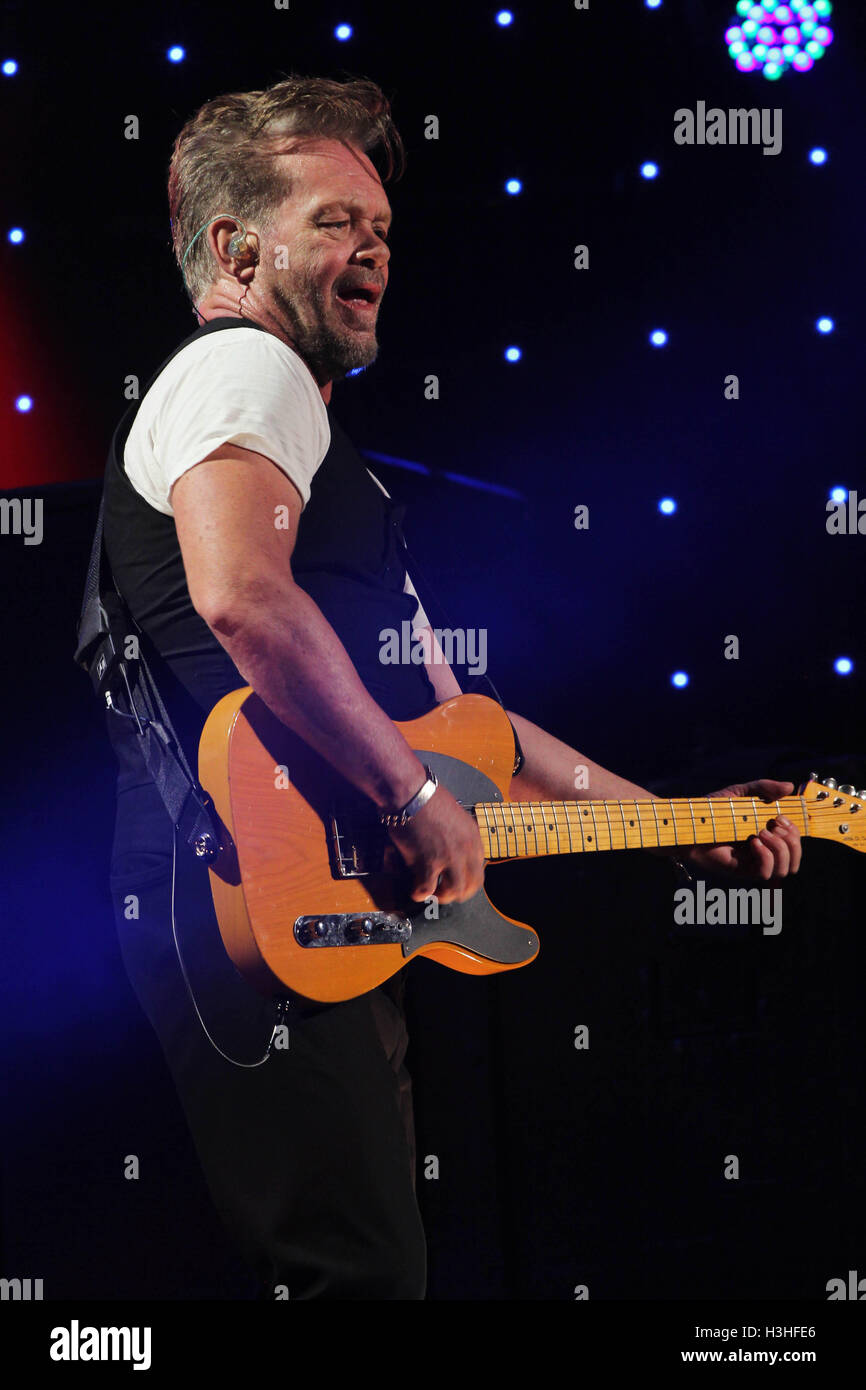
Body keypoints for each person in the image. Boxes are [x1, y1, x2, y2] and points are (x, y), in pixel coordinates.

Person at [96, 73, 801, 1300]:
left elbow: (475, 735)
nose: (372, 247)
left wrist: (682, 828)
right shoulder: (240, 371)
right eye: (333, 221)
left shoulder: (323, 453)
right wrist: (404, 782)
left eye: (379, 228)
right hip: (230, 877)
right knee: (358, 1277)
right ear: (234, 246)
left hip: (303, 903)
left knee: (364, 1275)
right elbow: (241, 598)